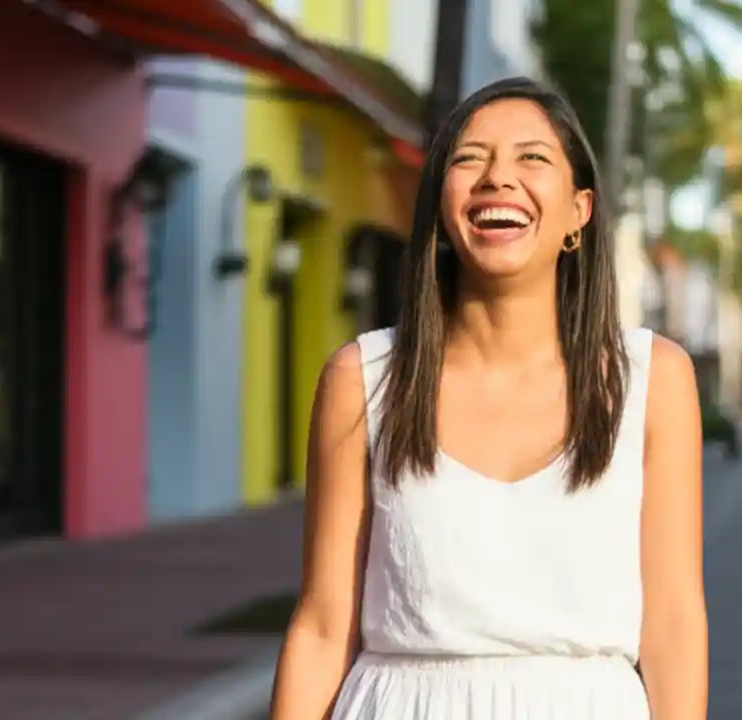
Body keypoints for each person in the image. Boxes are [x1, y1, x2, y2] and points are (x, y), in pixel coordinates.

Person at [269, 77, 708, 719]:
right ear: (442, 206)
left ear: (578, 212)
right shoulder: (364, 378)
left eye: (532, 157)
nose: (497, 177)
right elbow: (322, 626)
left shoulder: (652, 379)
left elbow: (672, 625)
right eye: (470, 158)